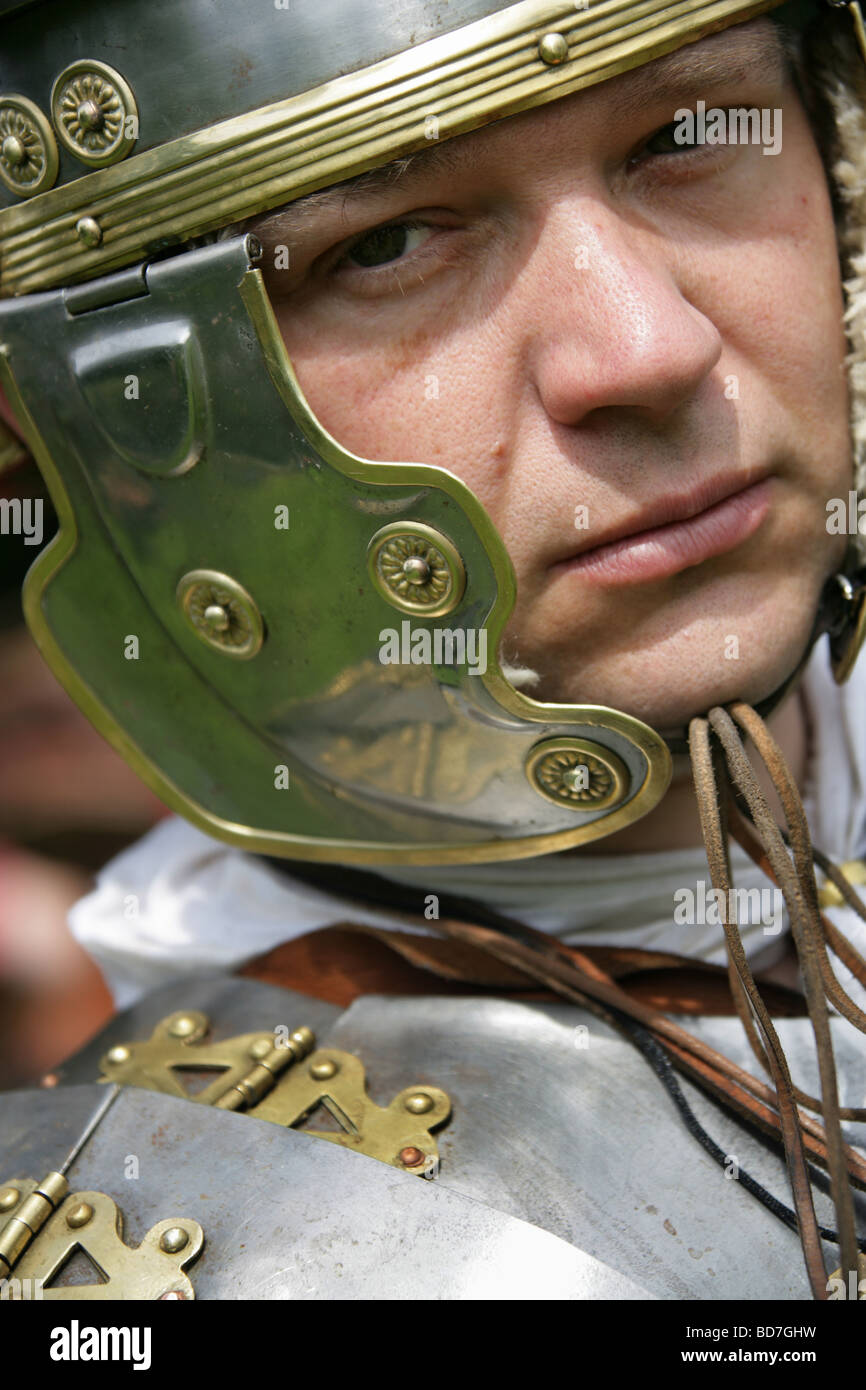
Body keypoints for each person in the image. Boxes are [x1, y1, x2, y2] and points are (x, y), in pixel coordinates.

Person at [1, 0, 865, 1302]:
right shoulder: (153, 1254)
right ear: (88, 423)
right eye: (385, 242)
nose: (648, 348)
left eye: (688, 131)